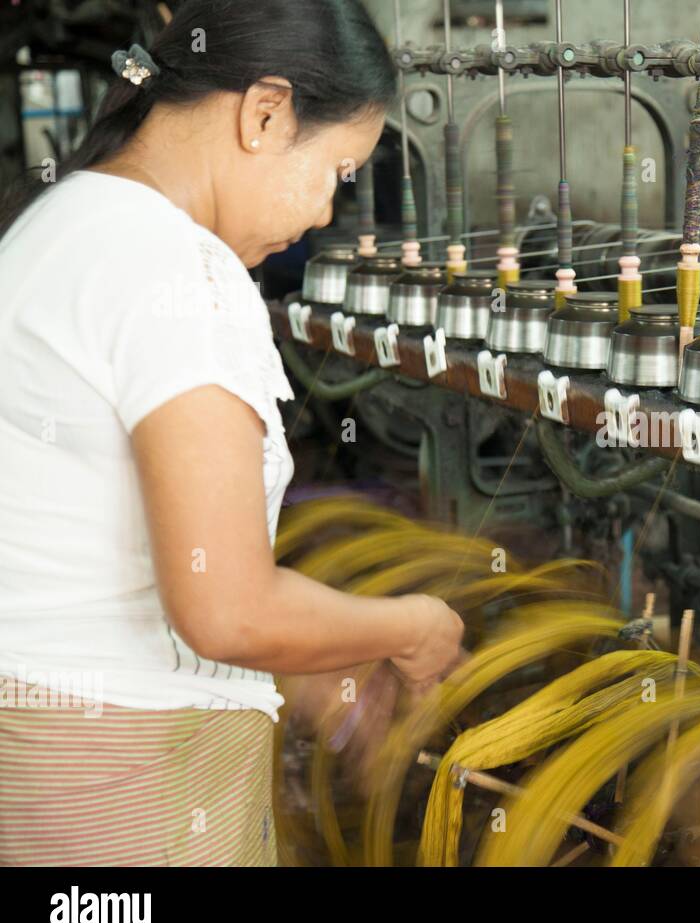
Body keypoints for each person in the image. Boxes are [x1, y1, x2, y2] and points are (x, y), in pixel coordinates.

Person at [0, 0, 464, 866]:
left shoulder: (56, 227)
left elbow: (113, 568)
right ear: (264, 113)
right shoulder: (183, 273)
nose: (329, 211)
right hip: (118, 796)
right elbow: (225, 609)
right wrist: (407, 626)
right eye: (337, 169)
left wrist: (305, 652)